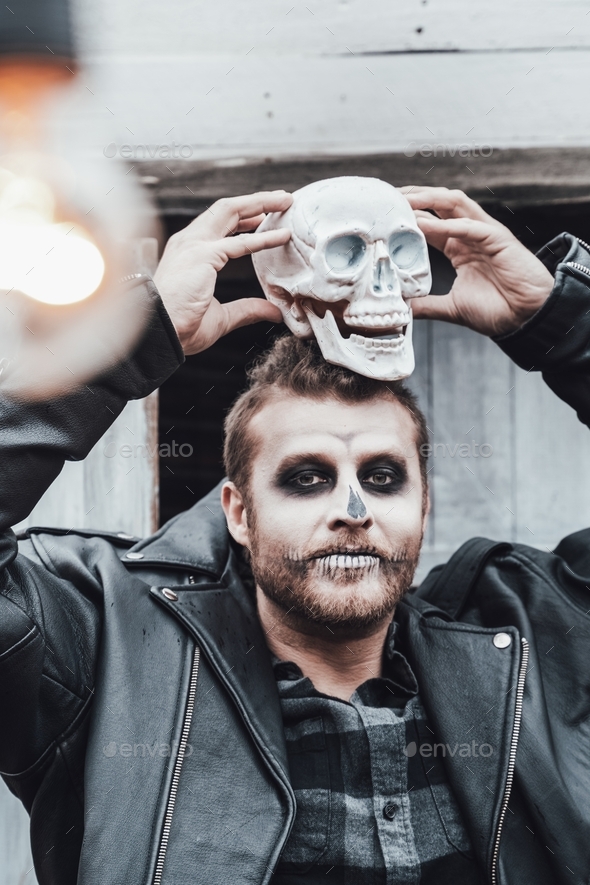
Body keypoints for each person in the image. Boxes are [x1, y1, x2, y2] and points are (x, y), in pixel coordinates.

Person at [1, 187, 589, 885]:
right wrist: (124, 341)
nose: (351, 507)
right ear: (238, 512)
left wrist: (561, 322)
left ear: (425, 505)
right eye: (305, 477)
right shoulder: (101, 652)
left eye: (382, 476)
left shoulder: (538, 634)